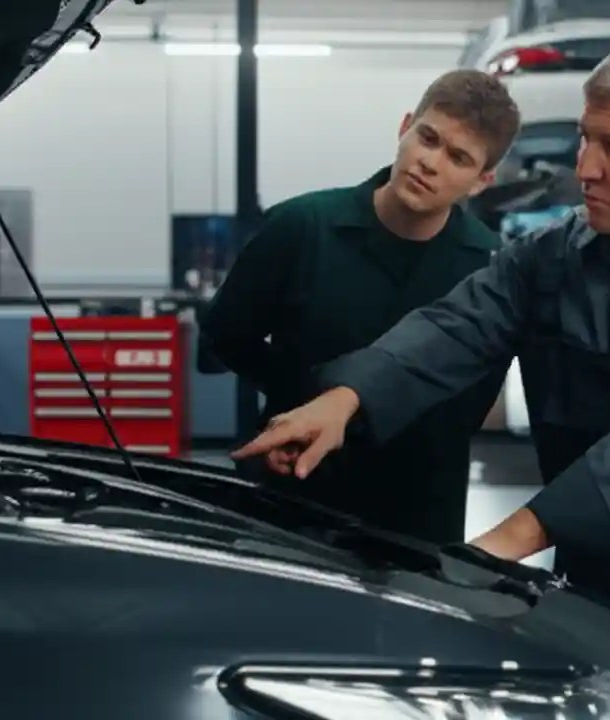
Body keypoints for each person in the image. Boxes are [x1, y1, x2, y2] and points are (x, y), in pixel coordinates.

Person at [234, 40, 610, 720]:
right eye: (583, 139)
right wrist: (343, 400)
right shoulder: (555, 257)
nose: (585, 169)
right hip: (593, 598)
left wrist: (504, 543)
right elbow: (455, 326)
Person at [199, 69, 520, 546]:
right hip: (295, 492)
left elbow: (471, 400)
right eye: (428, 138)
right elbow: (224, 336)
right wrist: (300, 395)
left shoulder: (492, 268)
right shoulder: (300, 228)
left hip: (420, 515)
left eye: (458, 157)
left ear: (481, 180)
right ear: (404, 127)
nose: (430, 163)